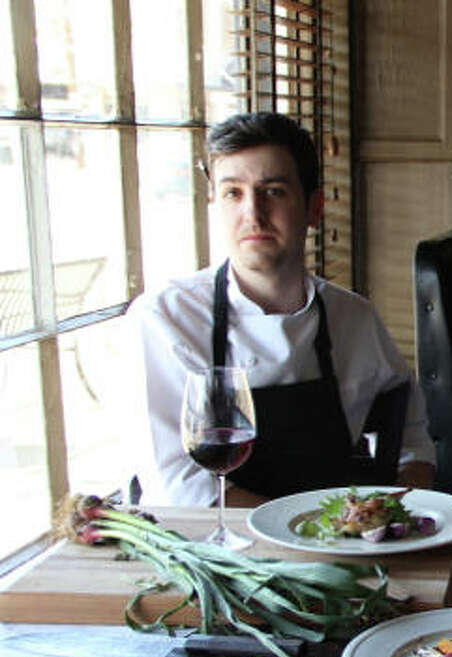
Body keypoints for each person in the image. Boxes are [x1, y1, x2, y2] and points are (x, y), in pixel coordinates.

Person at [127, 112, 435, 507]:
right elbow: (181, 490)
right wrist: (304, 536)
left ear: (314, 207)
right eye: (233, 193)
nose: (252, 213)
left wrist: (400, 512)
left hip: (342, 552)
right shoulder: (166, 319)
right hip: (226, 555)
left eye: (273, 191)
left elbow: (412, 434)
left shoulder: (353, 318)